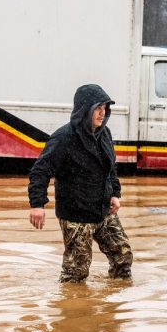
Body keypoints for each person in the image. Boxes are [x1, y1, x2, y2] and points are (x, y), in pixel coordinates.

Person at [28, 84, 133, 282]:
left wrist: (115, 194)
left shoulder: (105, 134)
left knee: (123, 257)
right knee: (76, 273)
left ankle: (114, 304)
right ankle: (72, 309)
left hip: (102, 210)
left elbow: (110, 168)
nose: (102, 113)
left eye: (105, 108)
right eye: (98, 108)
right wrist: (37, 205)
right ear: (85, 109)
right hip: (76, 215)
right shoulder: (64, 137)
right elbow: (40, 170)